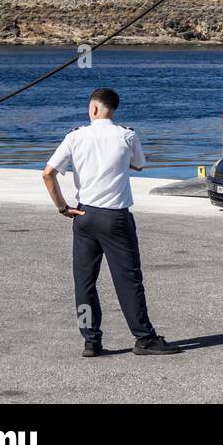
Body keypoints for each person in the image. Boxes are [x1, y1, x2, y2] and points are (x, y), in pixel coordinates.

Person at [41, 87, 181, 357]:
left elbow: (47, 174)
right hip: (115, 218)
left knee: (84, 282)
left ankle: (91, 341)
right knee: (128, 279)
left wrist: (62, 207)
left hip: (84, 216)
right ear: (112, 110)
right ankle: (144, 338)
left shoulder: (75, 136)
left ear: (93, 109)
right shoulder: (127, 135)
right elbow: (139, 165)